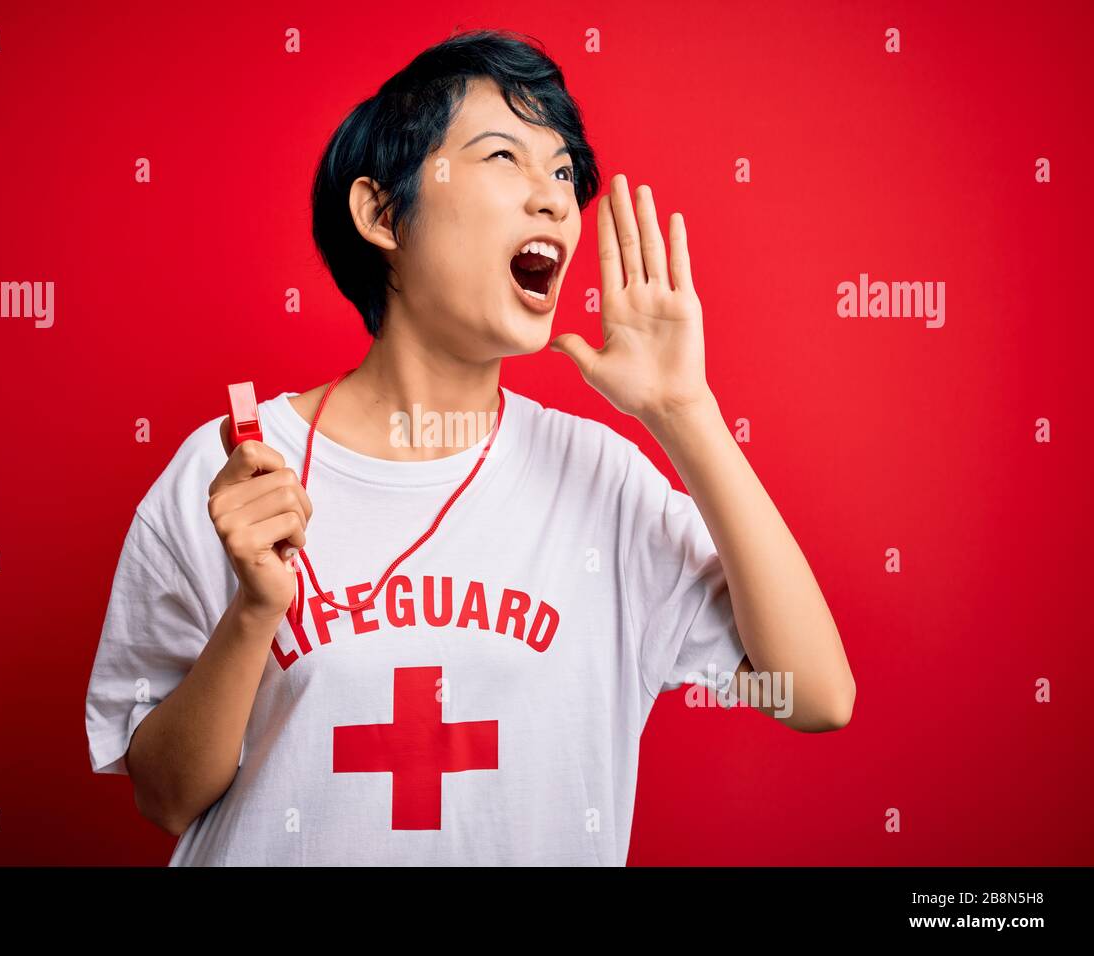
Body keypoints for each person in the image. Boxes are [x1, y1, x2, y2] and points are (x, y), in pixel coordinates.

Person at [84, 28, 855, 866]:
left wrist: (685, 410)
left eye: (563, 172)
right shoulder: (232, 472)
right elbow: (163, 798)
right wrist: (252, 614)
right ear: (382, 213)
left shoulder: (601, 479)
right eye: (504, 157)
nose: (556, 199)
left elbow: (816, 694)